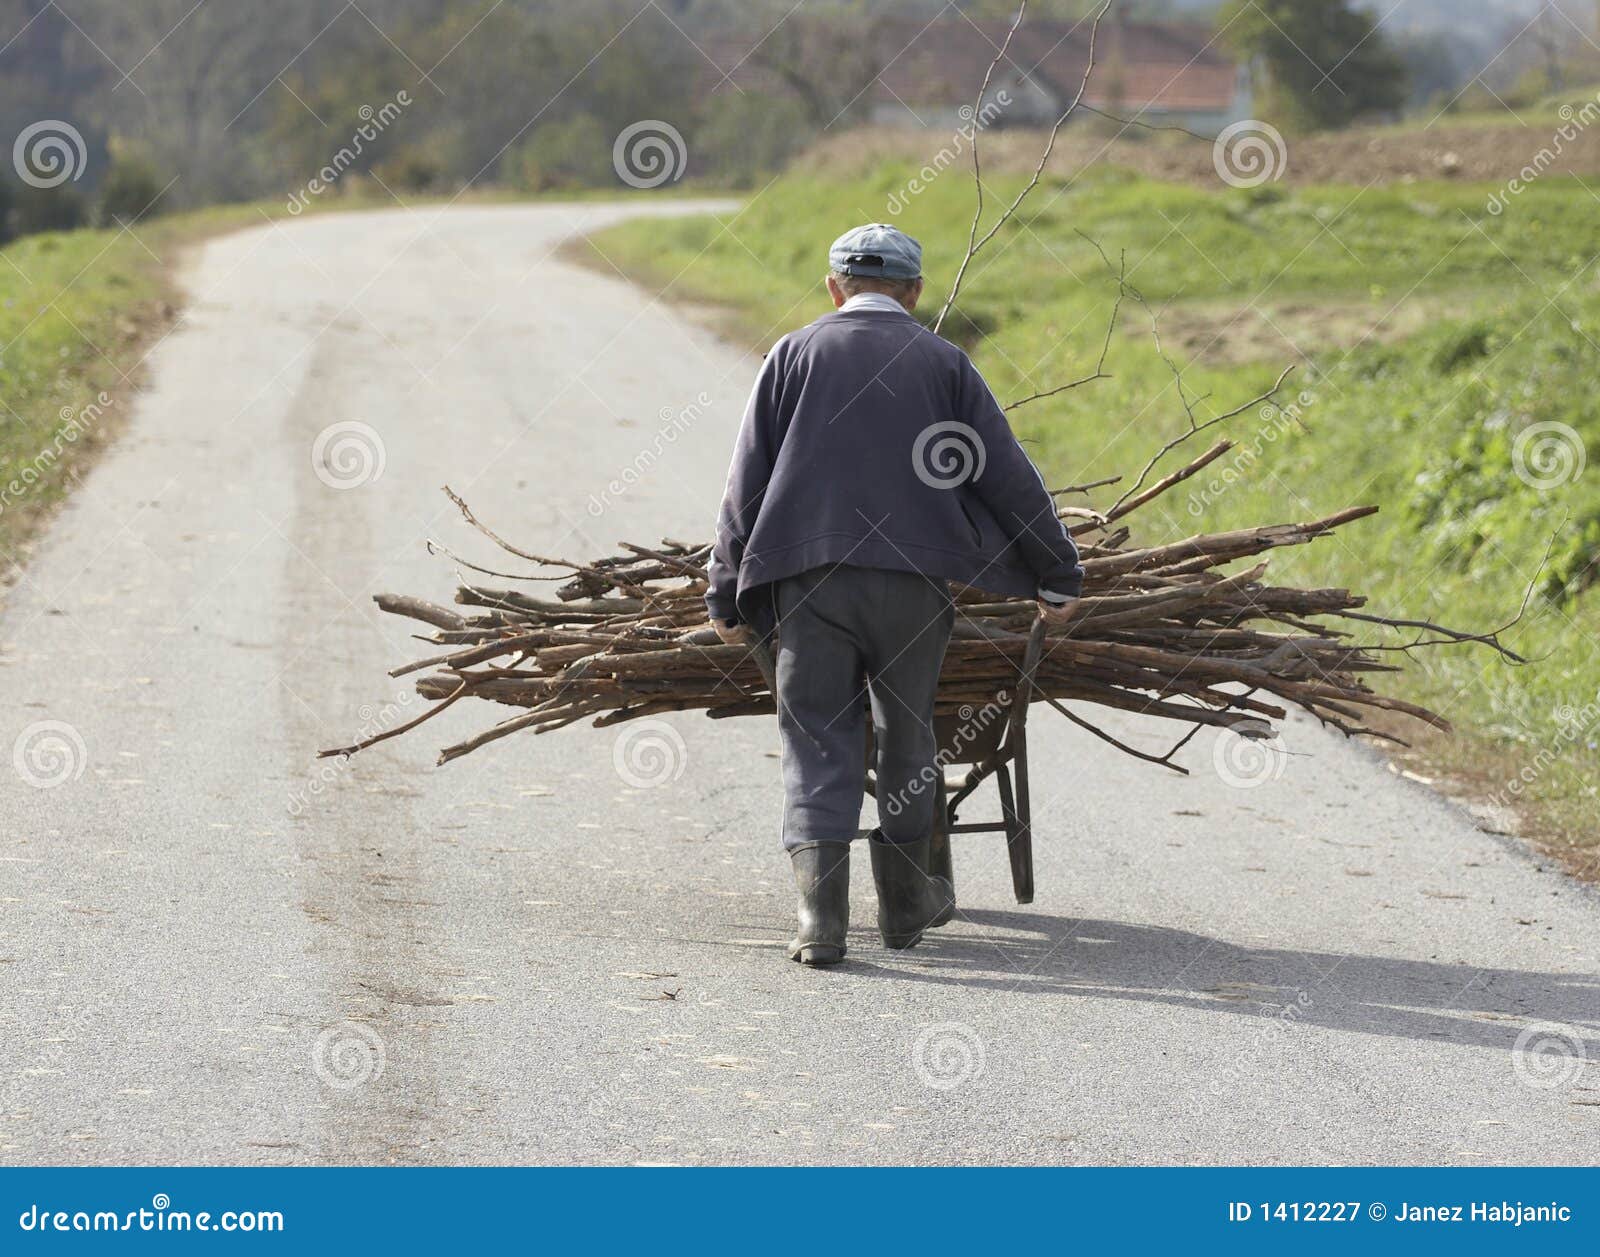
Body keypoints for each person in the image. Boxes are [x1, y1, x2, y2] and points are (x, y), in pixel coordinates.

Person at [706, 223, 1082, 967]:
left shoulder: (793, 356)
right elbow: (1005, 473)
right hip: (913, 586)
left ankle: (821, 919)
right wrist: (1057, 575)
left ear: (833, 288)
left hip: (810, 583)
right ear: (914, 292)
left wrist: (724, 590)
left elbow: (745, 480)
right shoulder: (944, 362)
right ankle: (905, 905)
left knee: (816, 736)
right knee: (909, 733)